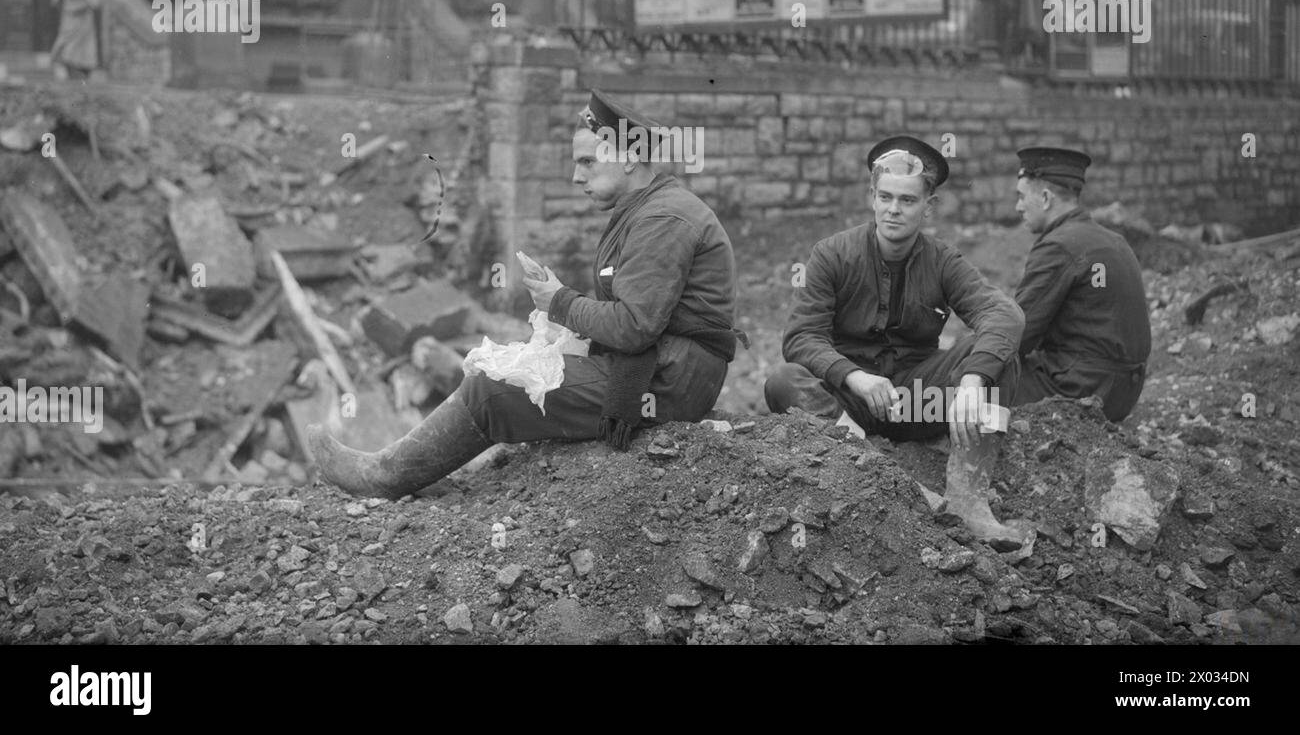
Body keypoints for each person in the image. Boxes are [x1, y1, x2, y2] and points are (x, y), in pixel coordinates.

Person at [309, 89, 742, 498]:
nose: (576, 177)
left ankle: (384, 476)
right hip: (664, 368)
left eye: (588, 162)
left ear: (629, 158)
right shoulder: (647, 209)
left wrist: (560, 302)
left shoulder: (663, 219)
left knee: (493, 388)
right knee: (523, 363)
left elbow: (633, 327)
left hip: (669, 381)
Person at [764, 136, 1030, 545]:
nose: (893, 209)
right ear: (871, 197)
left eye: (907, 201)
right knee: (784, 381)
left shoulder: (943, 260)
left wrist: (974, 380)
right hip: (849, 402)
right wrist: (853, 376)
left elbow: (1004, 314)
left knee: (999, 356)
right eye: (885, 197)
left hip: (919, 401)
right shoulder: (832, 254)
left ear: (929, 206)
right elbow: (801, 336)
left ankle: (968, 499)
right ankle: (868, 466)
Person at [1012, 146, 1150, 421]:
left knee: (961, 388)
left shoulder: (1058, 246)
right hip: (1123, 393)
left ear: (1046, 198)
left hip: (1078, 391)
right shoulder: (1113, 240)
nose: (1017, 207)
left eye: (1021, 196)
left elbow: (1016, 336)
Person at [48, 0, 98, 80]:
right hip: (69, 24)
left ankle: (79, 80)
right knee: (62, 52)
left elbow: (93, 1)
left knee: (73, 54)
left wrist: (75, 8)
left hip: (79, 25)